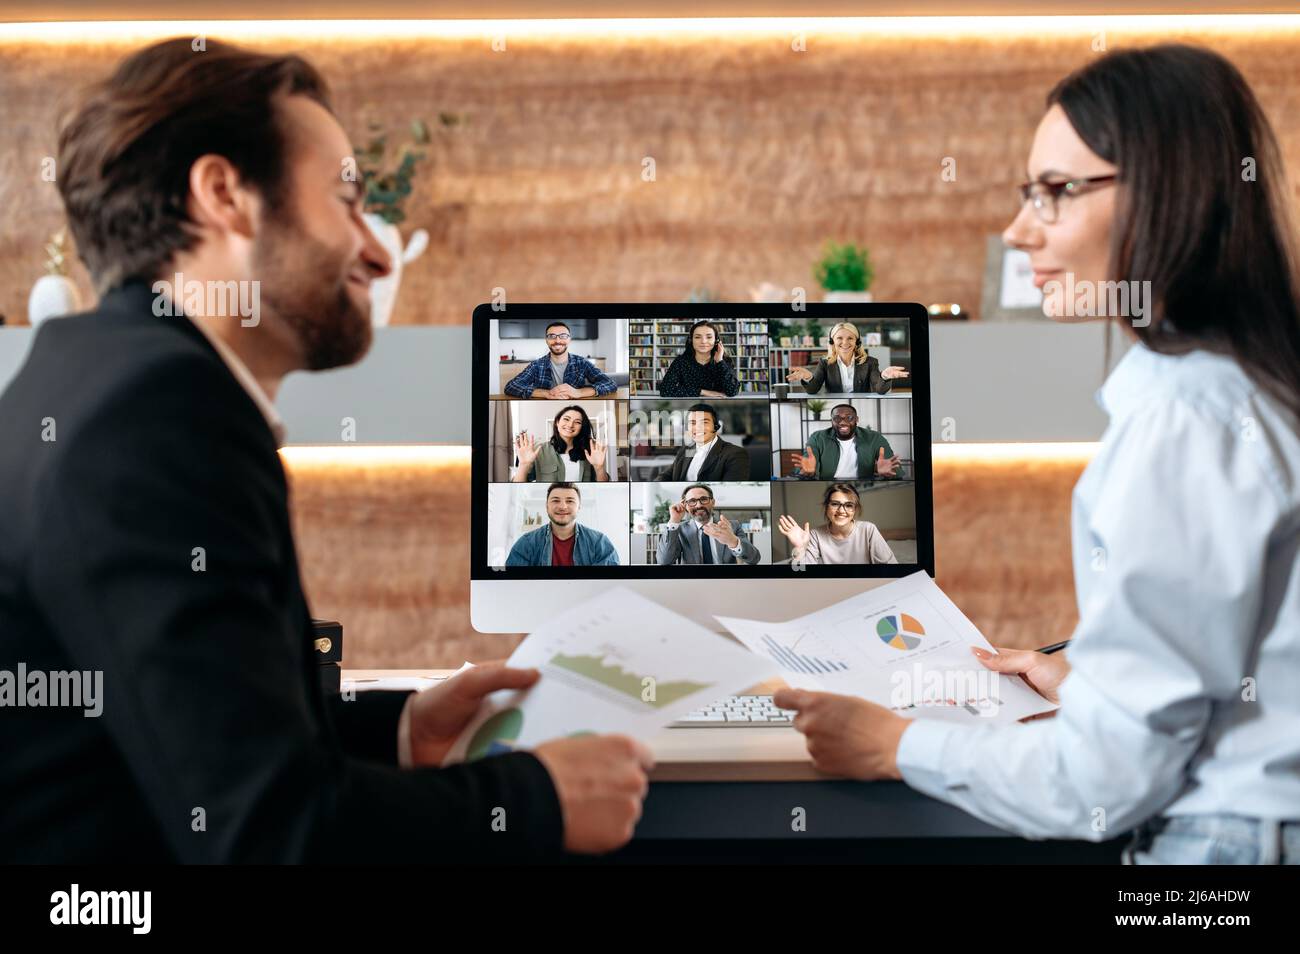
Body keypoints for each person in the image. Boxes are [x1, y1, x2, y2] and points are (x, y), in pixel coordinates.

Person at [0, 38, 650, 863]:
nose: (377, 253)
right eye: (347, 201)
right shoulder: (161, 414)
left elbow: (199, 724)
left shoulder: (87, 375)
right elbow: (273, 834)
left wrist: (402, 727)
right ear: (225, 195)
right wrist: (536, 802)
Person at [776, 45, 1300, 864]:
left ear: (1166, 192)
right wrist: (1095, 684)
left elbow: (1100, 779)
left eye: (1057, 193)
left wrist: (894, 744)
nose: (1019, 231)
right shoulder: (1247, 390)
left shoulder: (1185, 422)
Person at [777, 483, 897, 565]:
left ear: (855, 509)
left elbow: (891, 567)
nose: (841, 511)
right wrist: (800, 547)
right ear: (826, 508)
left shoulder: (868, 530)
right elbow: (800, 573)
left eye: (849, 505)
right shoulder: (815, 535)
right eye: (835, 504)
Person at [505, 483, 620, 566]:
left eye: (570, 501)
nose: (562, 507)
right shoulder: (526, 544)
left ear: (579, 507)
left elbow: (607, 586)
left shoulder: (599, 543)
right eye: (555, 500)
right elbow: (515, 586)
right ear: (547, 506)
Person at [502, 321, 617, 399]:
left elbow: (610, 384)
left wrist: (579, 392)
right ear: (546, 340)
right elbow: (510, 387)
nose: (557, 340)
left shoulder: (582, 363)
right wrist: (546, 393)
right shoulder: (536, 365)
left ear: (569, 339)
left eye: (563, 336)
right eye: (551, 336)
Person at [785, 321, 908, 394]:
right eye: (839, 338)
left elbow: (880, 389)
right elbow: (813, 389)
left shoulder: (870, 362)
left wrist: (884, 376)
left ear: (857, 342)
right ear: (832, 341)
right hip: (835, 407)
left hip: (863, 407)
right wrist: (808, 377)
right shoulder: (825, 363)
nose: (845, 343)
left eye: (850, 338)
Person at [656, 483, 761, 565]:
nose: (698, 505)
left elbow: (754, 559)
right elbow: (664, 561)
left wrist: (732, 541)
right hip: (692, 584)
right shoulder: (679, 529)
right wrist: (674, 521)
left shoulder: (732, 526)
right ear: (686, 506)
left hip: (726, 583)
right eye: (692, 501)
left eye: (704, 499)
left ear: (713, 502)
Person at [789, 404, 902, 480]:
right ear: (831, 421)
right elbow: (803, 469)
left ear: (857, 419)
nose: (843, 422)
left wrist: (884, 472)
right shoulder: (817, 437)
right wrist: (808, 473)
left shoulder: (875, 438)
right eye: (837, 418)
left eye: (849, 418)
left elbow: (897, 472)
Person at [511, 404, 610, 482]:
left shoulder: (590, 451)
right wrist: (523, 465)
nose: (570, 425)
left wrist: (599, 468)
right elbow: (518, 488)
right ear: (557, 422)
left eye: (577, 422)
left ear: (582, 427)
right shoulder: (540, 450)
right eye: (566, 419)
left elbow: (603, 488)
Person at [655, 403, 749, 481]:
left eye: (704, 422)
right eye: (692, 423)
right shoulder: (686, 450)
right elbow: (665, 476)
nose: (698, 427)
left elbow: (731, 490)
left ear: (716, 426)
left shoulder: (735, 454)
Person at [657, 319, 740, 397]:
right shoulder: (681, 362)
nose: (703, 341)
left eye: (709, 337)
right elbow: (665, 390)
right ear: (691, 340)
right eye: (697, 337)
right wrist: (703, 392)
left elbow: (732, 391)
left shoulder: (723, 362)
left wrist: (719, 361)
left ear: (716, 341)